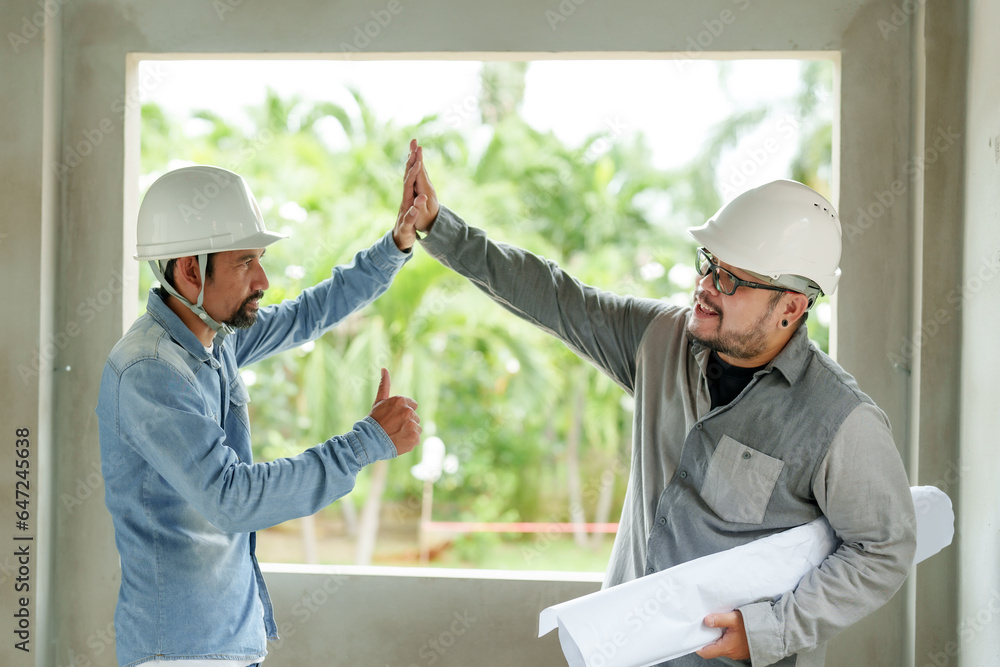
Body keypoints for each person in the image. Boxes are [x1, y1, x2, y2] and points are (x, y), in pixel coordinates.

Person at [402, 140, 916, 666]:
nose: (706, 286)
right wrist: (439, 226)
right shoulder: (658, 341)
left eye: (732, 279)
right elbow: (555, 297)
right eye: (709, 263)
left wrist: (771, 628)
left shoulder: (839, 419)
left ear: (791, 305)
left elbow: (883, 549)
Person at [97, 155, 427, 667]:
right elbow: (232, 498)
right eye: (246, 261)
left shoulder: (214, 342)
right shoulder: (150, 370)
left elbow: (307, 315)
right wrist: (365, 444)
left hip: (222, 646)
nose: (263, 279)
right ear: (190, 270)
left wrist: (397, 245)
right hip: (179, 654)